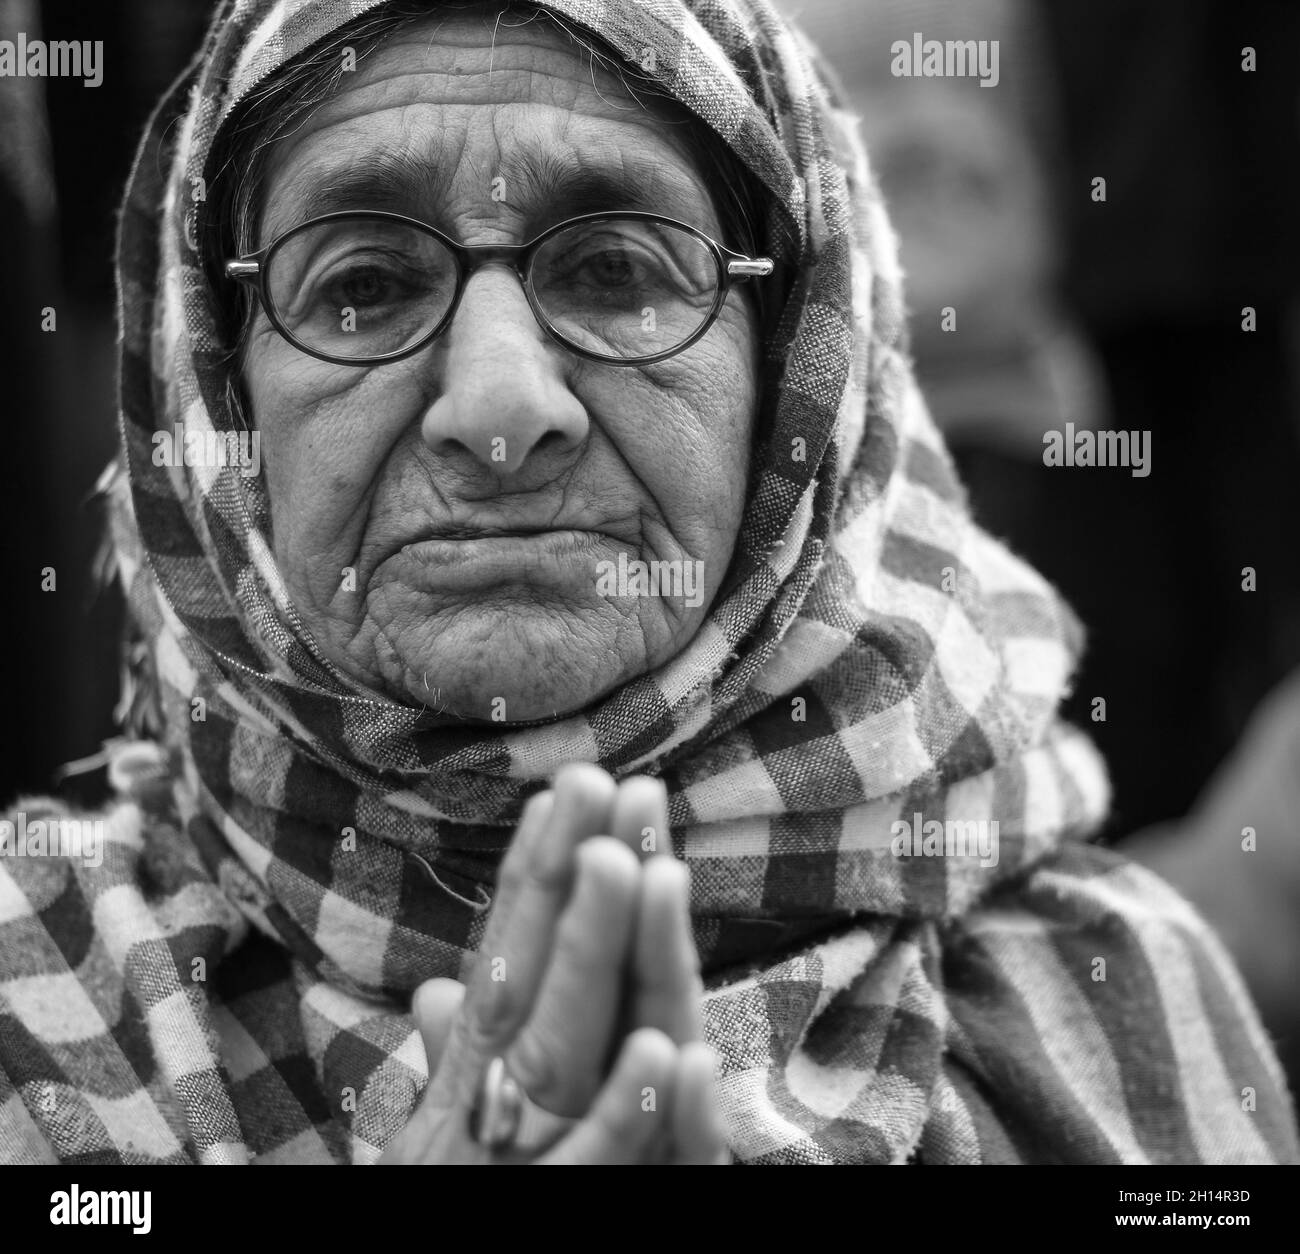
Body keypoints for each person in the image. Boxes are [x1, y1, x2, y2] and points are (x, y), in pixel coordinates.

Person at [0, 0, 1295, 1165]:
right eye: (363, 287)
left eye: (616, 270)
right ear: (225, 401)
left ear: (791, 376)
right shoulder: (39, 975)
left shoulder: (1107, 977)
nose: (499, 407)